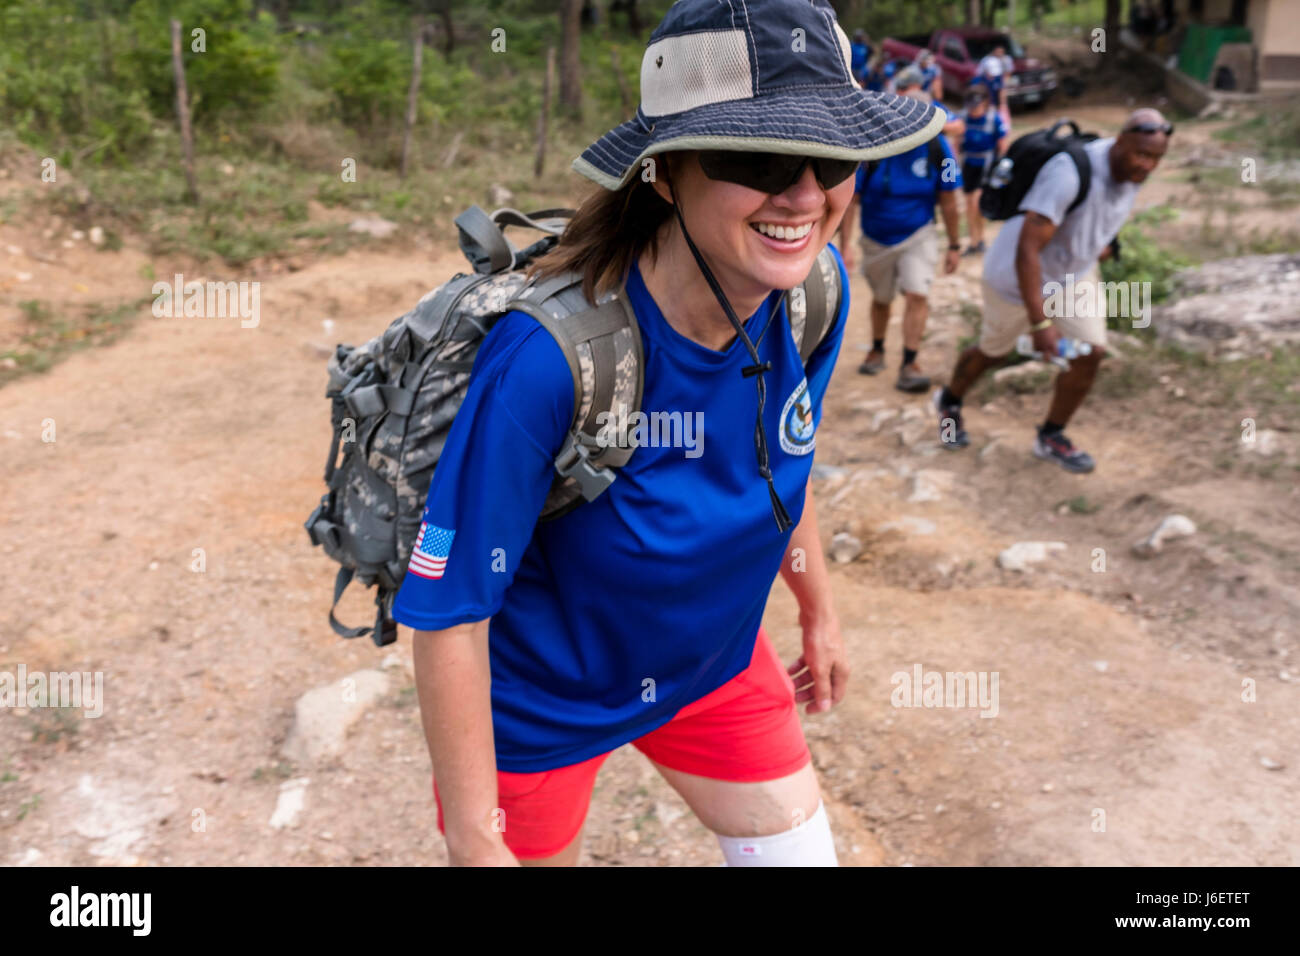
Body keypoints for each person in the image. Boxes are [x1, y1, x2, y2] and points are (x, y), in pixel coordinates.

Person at [393, 0, 944, 867]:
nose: (804, 194)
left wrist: (819, 612)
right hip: (543, 706)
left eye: (834, 155)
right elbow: (452, 611)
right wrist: (473, 837)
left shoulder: (810, 295)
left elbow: (779, 462)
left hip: (713, 666)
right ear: (661, 172)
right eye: (757, 157)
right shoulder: (549, 359)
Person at [933, 109, 1172, 472]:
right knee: (993, 352)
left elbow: (1100, 215)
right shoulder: (1070, 171)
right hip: (1015, 279)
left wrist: (1099, 246)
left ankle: (1051, 435)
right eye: (1141, 154)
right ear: (1120, 142)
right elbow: (1027, 250)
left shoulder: (1132, 170)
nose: (1148, 166)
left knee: (1090, 353)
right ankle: (950, 401)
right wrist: (1041, 324)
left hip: (1074, 276)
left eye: (1156, 158)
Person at [838, 67, 962, 393]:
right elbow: (851, 200)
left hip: (918, 233)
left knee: (917, 292)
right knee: (881, 299)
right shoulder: (875, 148)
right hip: (877, 235)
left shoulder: (939, 149)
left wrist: (954, 245)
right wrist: (845, 245)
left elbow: (949, 201)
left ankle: (910, 361)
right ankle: (877, 347)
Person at [957, 86, 1008, 255]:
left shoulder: (994, 119)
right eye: (971, 106)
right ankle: (974, 241)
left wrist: (1000, 167)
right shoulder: (963, 117)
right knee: (969, 205)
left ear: (985, 103)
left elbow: (1002, 144)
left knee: (976, 203)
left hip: (986, 165)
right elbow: (957, 142)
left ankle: (980, 239)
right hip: (968, 164)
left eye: (977, 106)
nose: (973, 110)